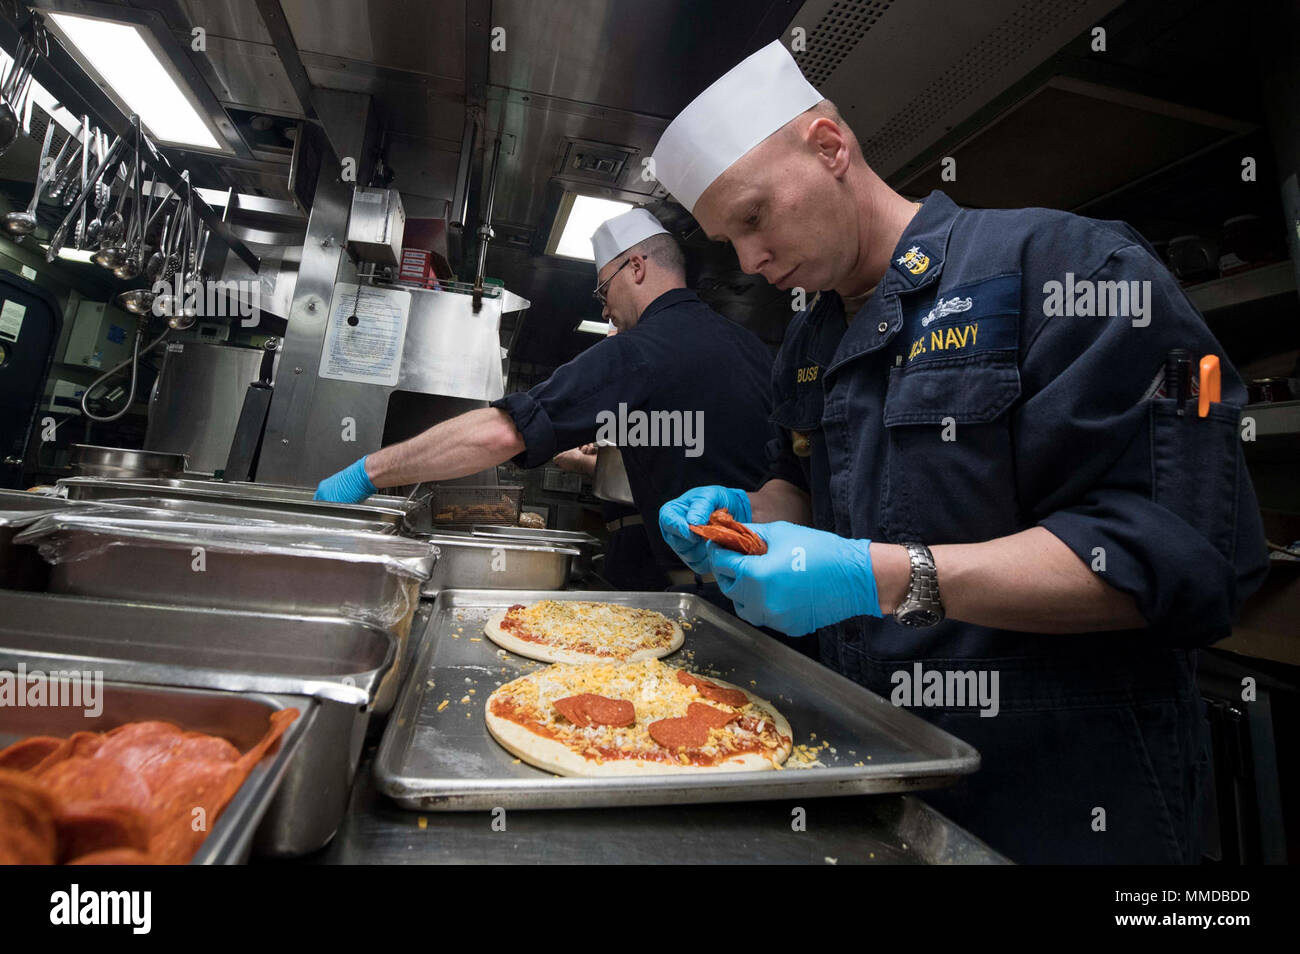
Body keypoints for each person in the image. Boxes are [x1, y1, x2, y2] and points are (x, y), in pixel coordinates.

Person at [653, 40, 1269, 864]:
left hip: (1059, 794)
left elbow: (1179, 554)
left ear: (831, 148)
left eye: (754, 218)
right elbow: (799, 479)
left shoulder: (1066, 268)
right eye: (729, 240)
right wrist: (746, 521)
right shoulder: (810, 336)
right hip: (876, 763)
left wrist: (876, 576)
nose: (750, 261)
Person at [314, 208, 775, 591]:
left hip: (711, 588)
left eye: (603, 289)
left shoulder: (642, 350)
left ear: (636, 267)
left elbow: (503, 430)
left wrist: (368, 472)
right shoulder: (752, 347)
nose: (604, 308)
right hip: (778, 581)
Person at [552, 442, 670, 591]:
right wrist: (601, 452)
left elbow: (643, 477)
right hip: (625, 533)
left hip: (643, 536)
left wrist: (582, 462)